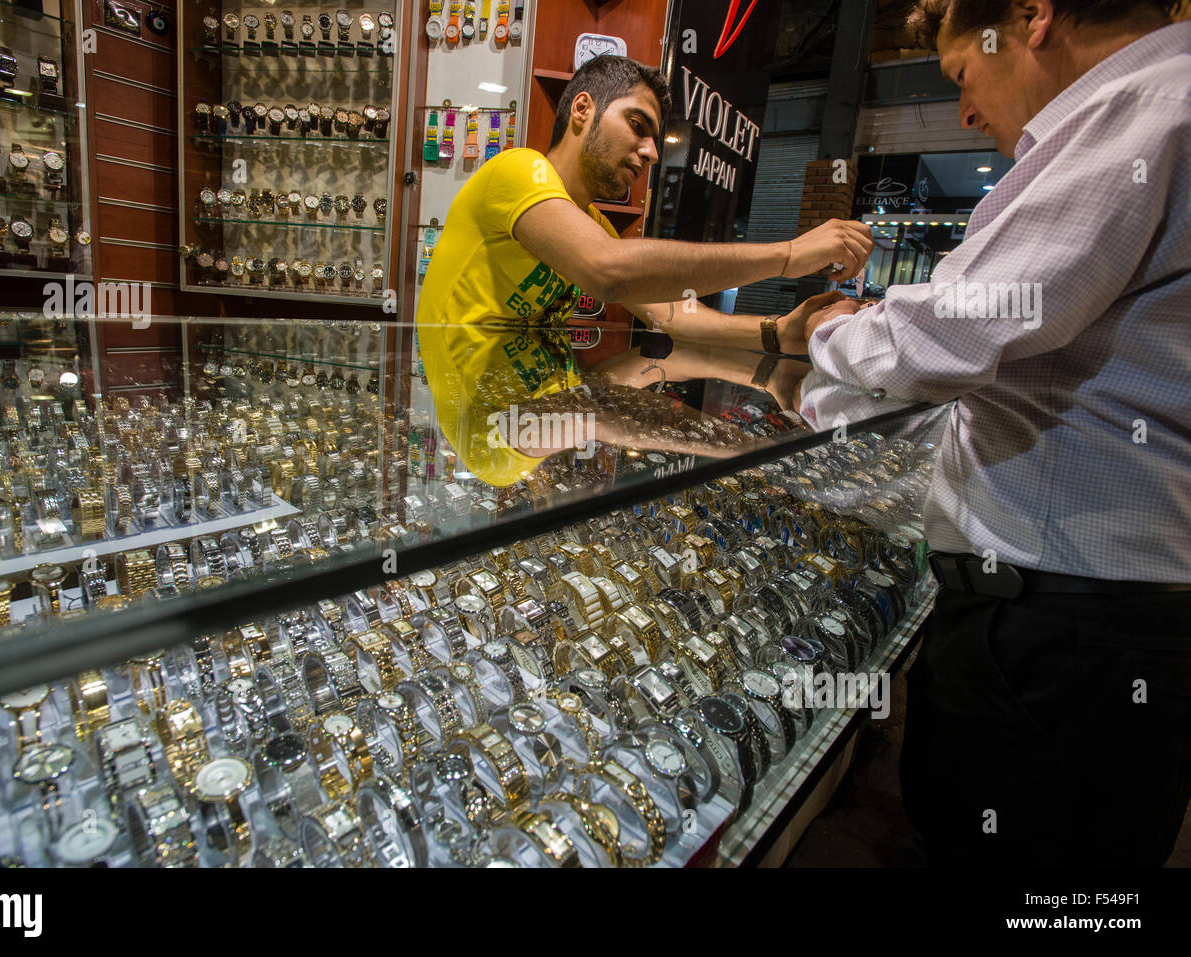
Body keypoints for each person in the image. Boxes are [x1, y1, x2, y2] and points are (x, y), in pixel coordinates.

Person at [791, 0, 1191, 865]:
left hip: (1064, 625)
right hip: (1093, 614)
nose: (966, 111)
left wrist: (826, 329)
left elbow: (956, 333)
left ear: (1029, 18)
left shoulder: (1146, 109)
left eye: (960, 75)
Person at [414, 54, 871, 487]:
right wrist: (789, 255)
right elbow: (608, 271)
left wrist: (777, 332)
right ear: (581, 108)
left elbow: (670, 314)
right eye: (637, 125)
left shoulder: (590, 224)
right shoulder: (517, 168)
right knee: (595, 410)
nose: (652, 151)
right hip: (485, 432)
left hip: (521, 404)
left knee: (596, 407)